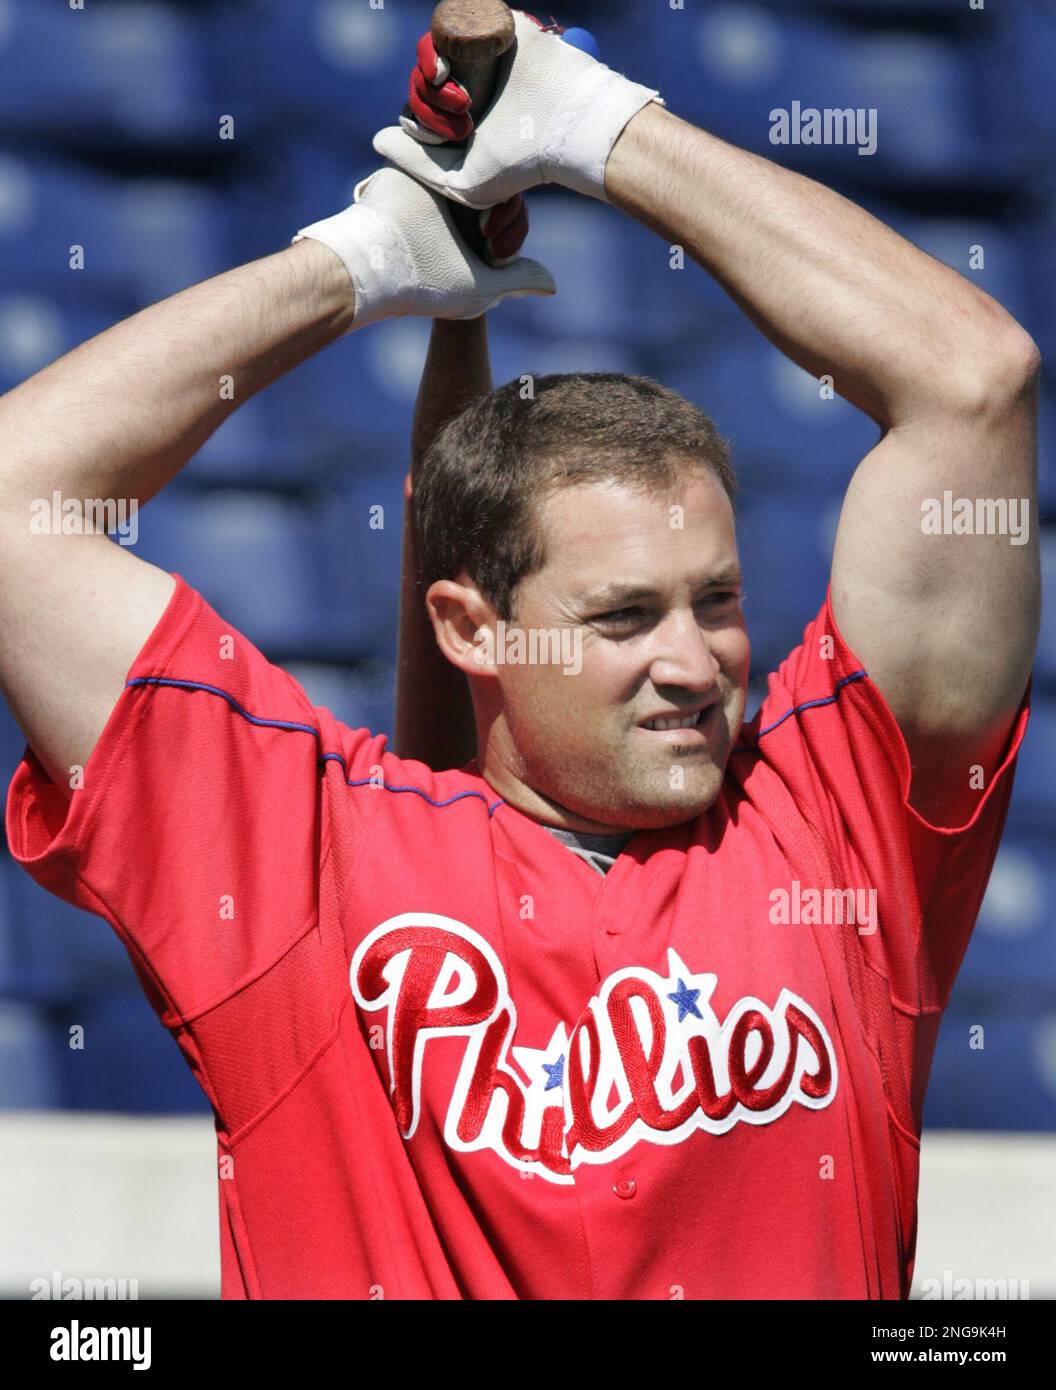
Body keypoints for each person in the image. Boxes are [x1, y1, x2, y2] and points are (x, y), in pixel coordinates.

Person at [0, 11, 1038, 1299]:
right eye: (620, 617)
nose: (693, 662)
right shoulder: (296, 868)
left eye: (714, 600)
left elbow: (974, 376)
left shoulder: (839, 827)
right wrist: (374, 255)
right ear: (469, 630)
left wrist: (588, 122)